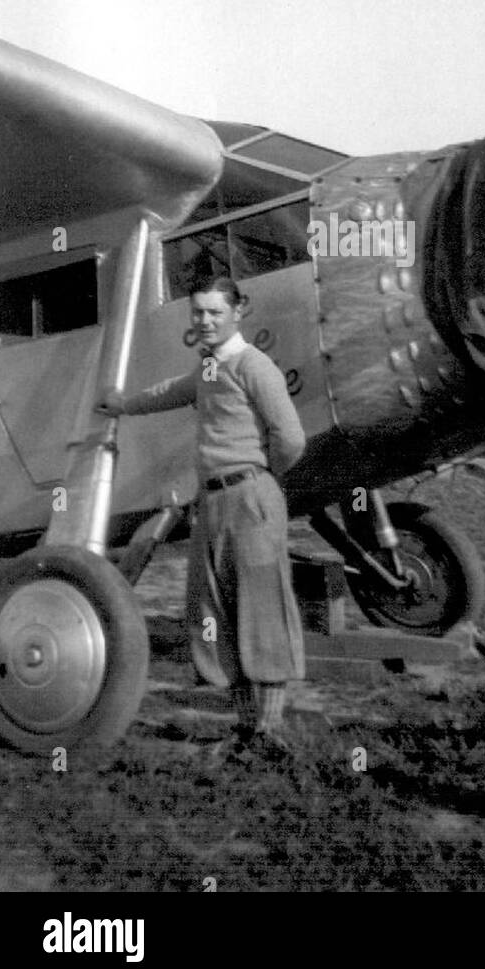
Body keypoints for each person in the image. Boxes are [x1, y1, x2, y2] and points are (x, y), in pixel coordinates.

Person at [100, 274, 306, 753]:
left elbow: (291, 439)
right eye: (198, 312)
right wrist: (123, 405)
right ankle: (246, 728)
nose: (206, 321)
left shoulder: (255, 366)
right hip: (211, 502)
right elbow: (175, 390)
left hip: (250, 499)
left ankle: (268, 734)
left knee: (262, 610)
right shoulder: (213, 369)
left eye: (215, 312)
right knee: (215, 609)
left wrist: (259, 476)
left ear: (238, 312)